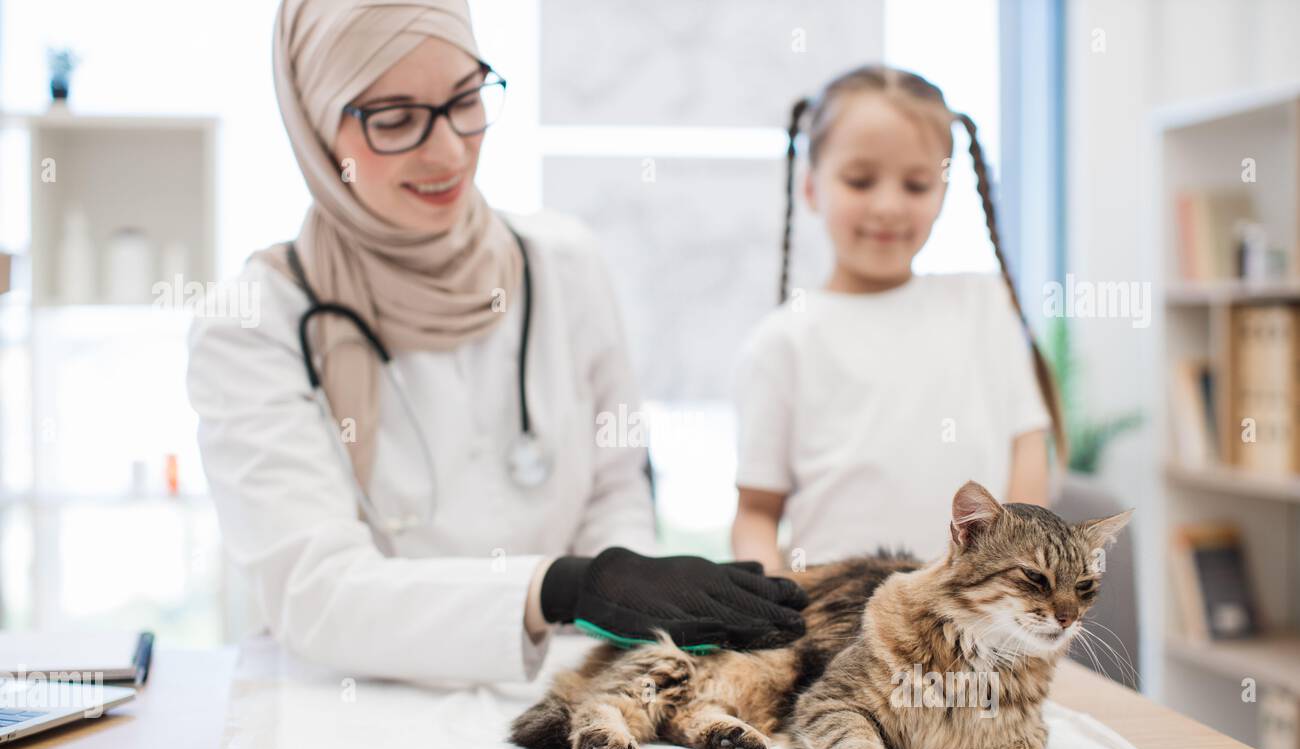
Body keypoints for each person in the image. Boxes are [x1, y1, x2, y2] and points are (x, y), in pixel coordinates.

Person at [187, 0, 807, 686]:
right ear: (312, 124)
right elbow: (317, 595)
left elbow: (614, 489)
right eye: (395, 120)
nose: (450, 150)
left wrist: (630, 600)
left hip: (565, 686)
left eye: (466, 100)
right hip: (351, 711)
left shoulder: (564, 264)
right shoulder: (252, 325)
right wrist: (562, 587)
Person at [731, 65, 1068, 570]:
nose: (889, 206)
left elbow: (1028, 451)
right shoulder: (782, 342)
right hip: (837, 624)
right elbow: (756, 514)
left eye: (915, 185)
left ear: (944, 192)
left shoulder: (981, 305)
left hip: (979, 619)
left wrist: (1014, 570)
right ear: (810, 188)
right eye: (860, 181)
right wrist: (776, 609)